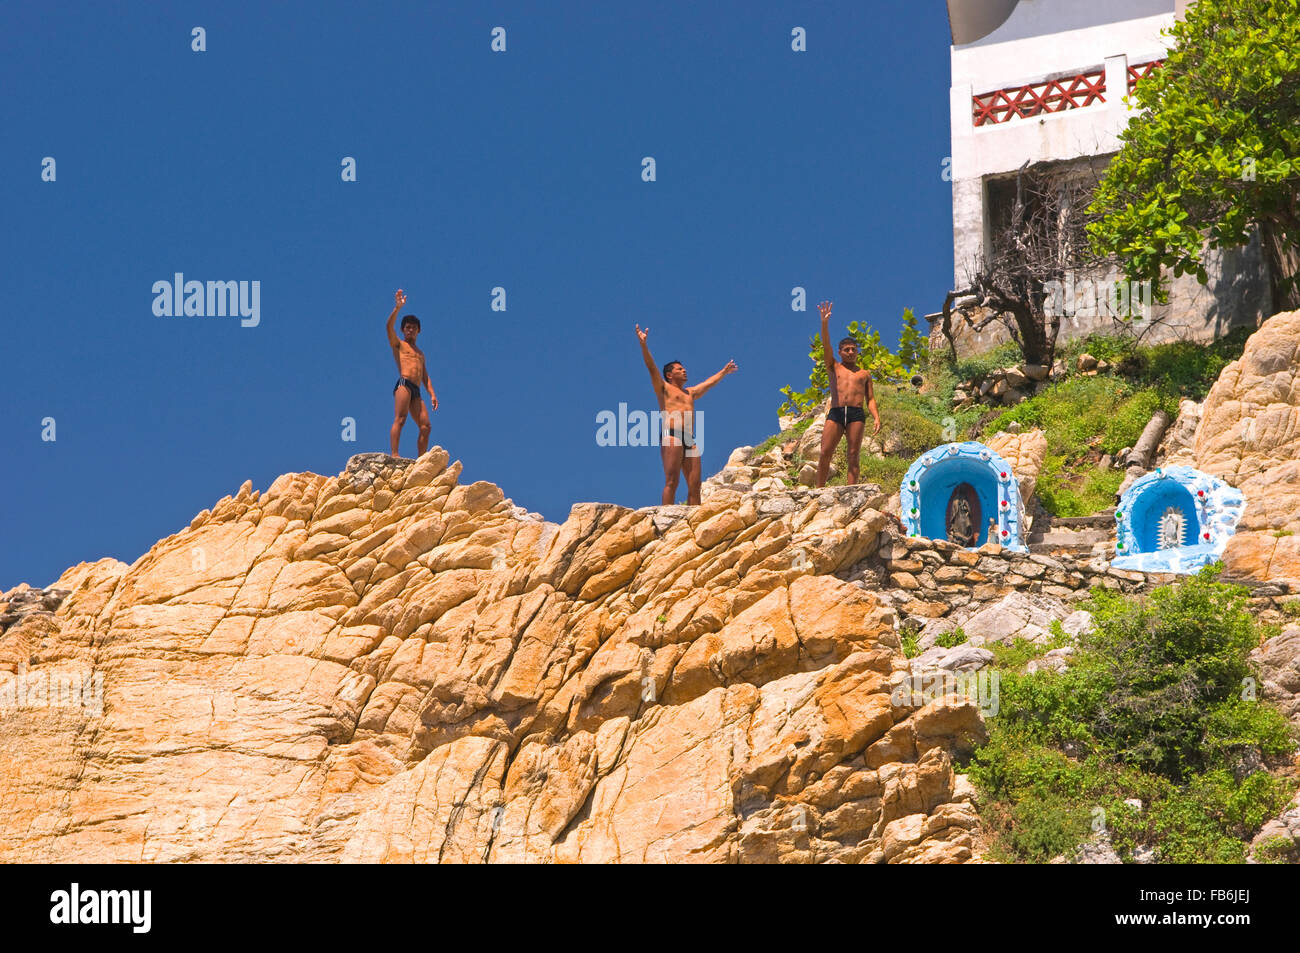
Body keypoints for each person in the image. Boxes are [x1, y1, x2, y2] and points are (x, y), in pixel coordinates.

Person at [636, 324, 737, 505]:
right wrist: (644, 345)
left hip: (690, 438)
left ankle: (694, 521)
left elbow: (708, 383)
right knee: (672, 481)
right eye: (679, 369)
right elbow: (651, 368)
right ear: (669, 375)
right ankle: (665, 519)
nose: (684, 370)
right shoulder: (663, 388)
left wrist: (724, 372)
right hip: (672, 436)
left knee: (695, 484)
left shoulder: (690, 393)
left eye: (684, 368)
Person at [815, 300, 881, 487]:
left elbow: (871, 399)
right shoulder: (833, 366)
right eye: (847, 350)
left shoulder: (864, 374)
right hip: (836, 412)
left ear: (857, 352)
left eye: (853, 349)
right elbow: (825, 344)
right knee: (824, 452)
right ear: (840, 352)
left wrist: (876, 417)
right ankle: (818, 490)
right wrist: (824, 323)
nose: (851, 352)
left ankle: (851, 490)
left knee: (853, 454)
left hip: (856, 414)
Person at [385, 289, 438, 457]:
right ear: (402, 330)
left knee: (426, 426)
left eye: (414, 328)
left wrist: (432, 393)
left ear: (418, 331)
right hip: (404, 384)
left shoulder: (420, 353)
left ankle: (421, 459)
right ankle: (394, 454)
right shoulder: (399, 345)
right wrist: (397, 308)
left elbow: (425, 376)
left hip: (417, 389)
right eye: (407, 328)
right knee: (400, 419)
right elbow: (388, 327)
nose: (410, 330)